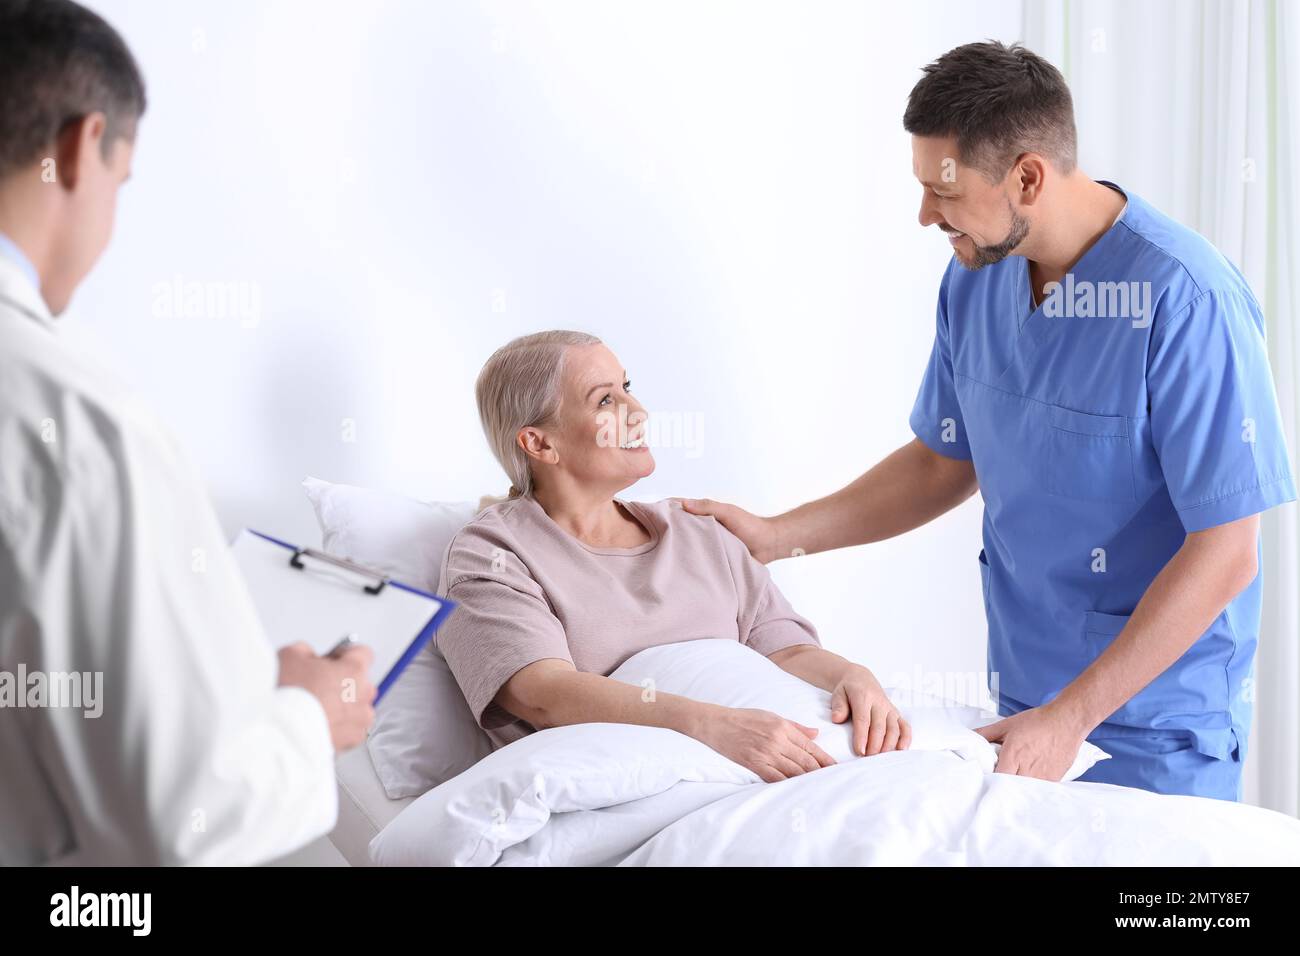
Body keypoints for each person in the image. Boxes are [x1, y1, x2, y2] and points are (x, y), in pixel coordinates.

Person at [682, 41, 1296, 802]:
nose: (923, 215)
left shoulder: (1187, 298)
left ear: (1027, 177)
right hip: (1021, 706)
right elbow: (945, 460)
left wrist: (1072, 717)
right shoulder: (975, 276)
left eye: (943, 190)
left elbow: (1228, 549)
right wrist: (775, 537)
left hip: (1158, 726)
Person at [0, 0, 375, 865]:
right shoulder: (81, 426)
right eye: (122, 184)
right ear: (78, 148)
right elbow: (175, 824)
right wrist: (310, 717)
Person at [431, 330, 912, 783]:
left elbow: (785, 650)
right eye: (605, 400)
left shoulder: (697, 530)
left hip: (774, 776)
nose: (636, 412)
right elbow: (542, 693)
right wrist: (708, 727)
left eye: (627, 388)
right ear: (539, 443)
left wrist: (851, 674)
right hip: (628, 792)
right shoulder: (492, 554)